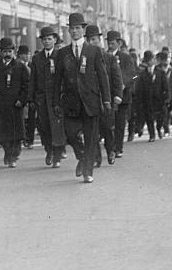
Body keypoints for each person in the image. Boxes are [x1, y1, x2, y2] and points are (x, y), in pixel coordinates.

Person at [55, 13, 111, 183]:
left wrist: (106, 100)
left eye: (78, 28)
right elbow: (57, 81)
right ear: (68, 31)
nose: (74, 32)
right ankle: (82, 157)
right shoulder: (63, 53)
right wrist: (55, 102)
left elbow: (102, 77)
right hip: (71, 103)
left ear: (83, 30)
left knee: (91, 137)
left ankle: (88, 171)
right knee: (70, 134)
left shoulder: (93, 51)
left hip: (91, 101)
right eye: (71, 29)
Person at [0, 38, 29, 167]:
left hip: (15, 105)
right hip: (0, 106)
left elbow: (26, 85)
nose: (7, 54)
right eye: (5, 51)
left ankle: (14, 154)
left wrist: (21, 100)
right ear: (1, 52)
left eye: (10, 51)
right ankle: (7, 153)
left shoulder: (20, 66)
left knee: (16, 132)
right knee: (3, 133)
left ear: (14, 51)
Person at [29, 26, 66, 167]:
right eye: (44, 39)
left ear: (55, 40)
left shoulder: (60, 55)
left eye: (49, 39)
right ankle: (49, 150)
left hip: (57, 99)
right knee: (44, 127)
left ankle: (57, 155)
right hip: (41, 99)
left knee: (57, 127)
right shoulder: (37, 58)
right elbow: (32, 79)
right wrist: (31, 98)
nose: (47, 42)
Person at [86, 25, 122, 166]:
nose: (92, 42)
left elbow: (117, 78)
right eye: (89, 40)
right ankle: (96, 158)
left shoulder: (109, 58)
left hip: (107, 99)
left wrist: (117, 95)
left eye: (94, 39)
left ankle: (111, 150)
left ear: (100, 40)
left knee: (107, 128)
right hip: (91, 100)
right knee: (93, 131)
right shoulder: (85, 58)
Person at [107, 32, 136, 158]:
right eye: (108, 43)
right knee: (109, 123)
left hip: (123, 97)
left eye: (112, 43)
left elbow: (133, 75)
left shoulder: (125, 57)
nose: (110, 45)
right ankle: (111, 146)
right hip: (109, 95)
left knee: (119, 123)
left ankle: (118, 148)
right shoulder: (104, 56)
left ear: (119, 43)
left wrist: (124, 84)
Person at [136, 51, 158, 142]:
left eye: (152, 60)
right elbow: (139, 86)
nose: (150, 62)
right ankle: (152, 135)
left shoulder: (159, 71)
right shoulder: (142, 73)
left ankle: (161, 128)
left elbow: (164, 85)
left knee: (159, 117)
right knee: (149, 117)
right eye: (148, 60)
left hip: (157, 98)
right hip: (146, 99)